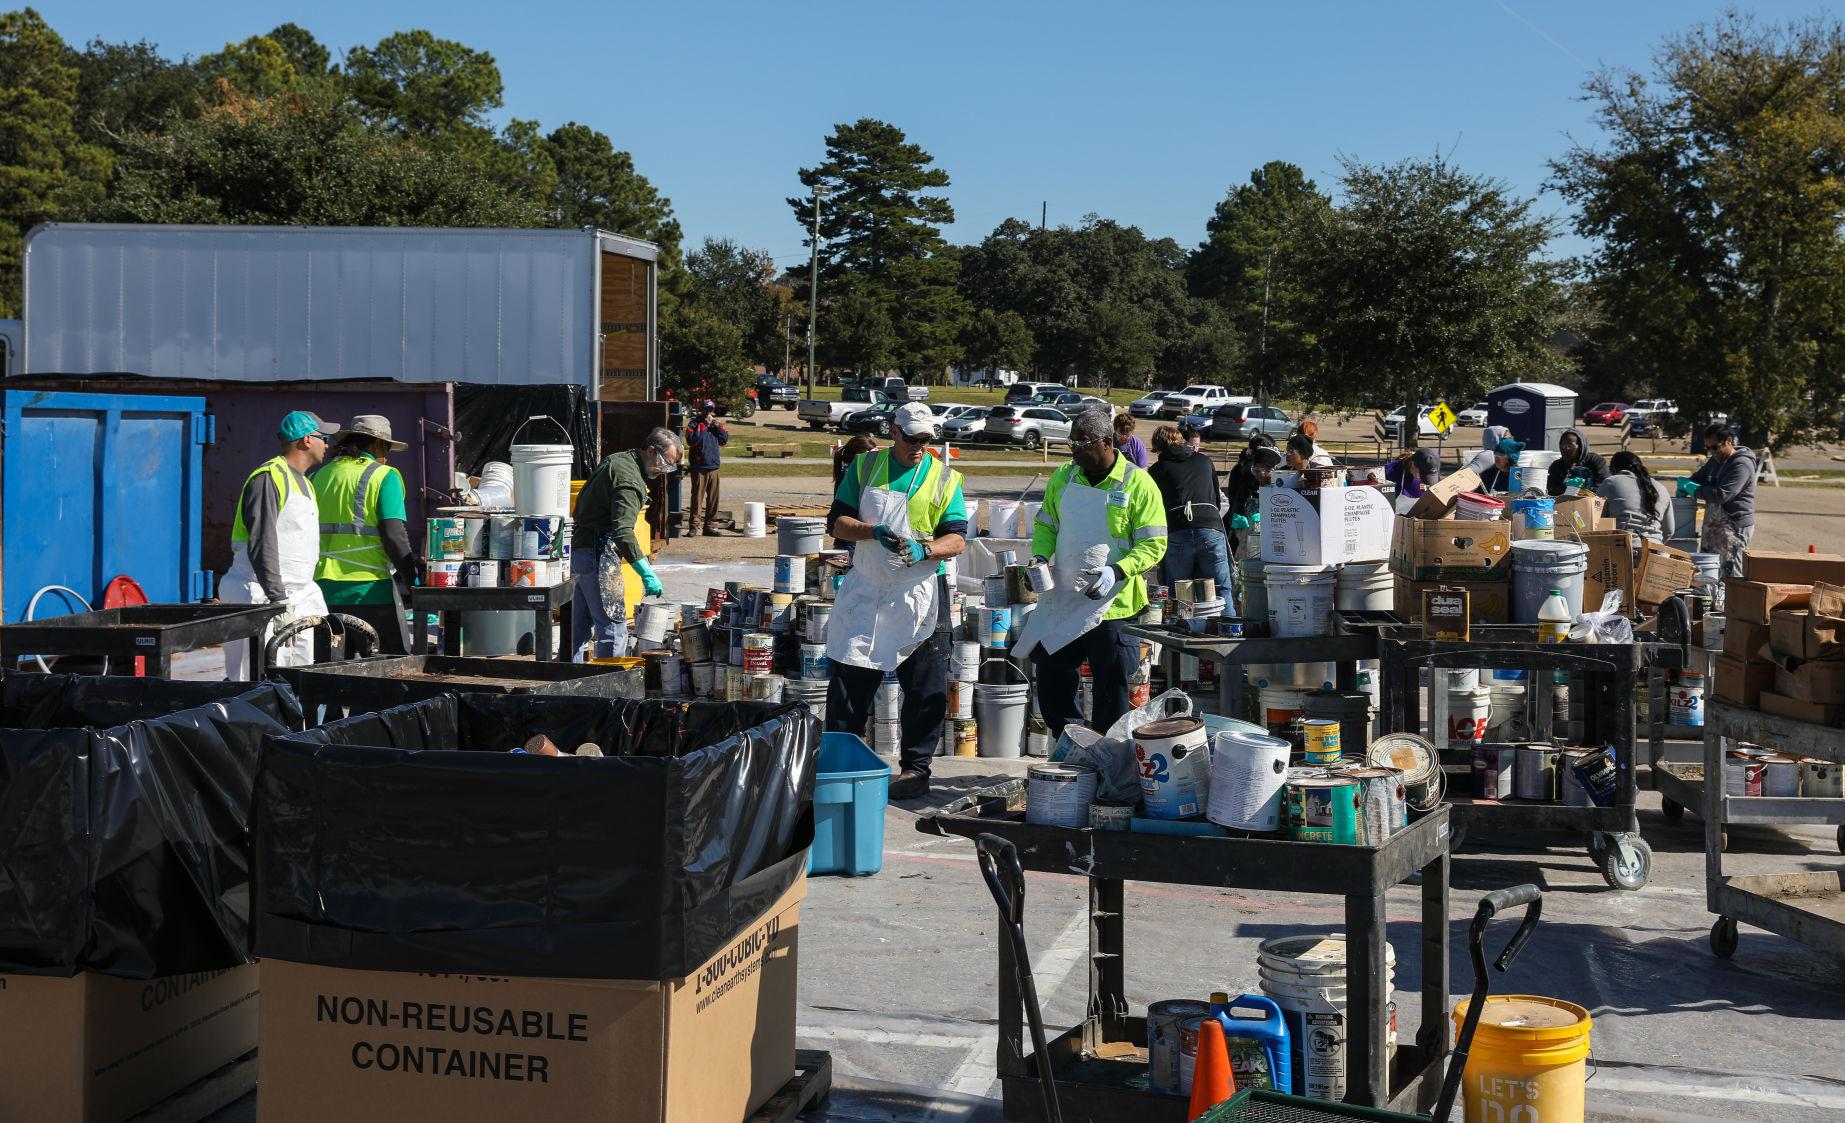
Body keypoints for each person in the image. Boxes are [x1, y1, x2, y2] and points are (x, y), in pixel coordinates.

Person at [825, 403, 968, 800]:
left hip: (920, 592)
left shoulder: (944, 477)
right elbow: (837, 522)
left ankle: (916, 770)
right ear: (894, 431)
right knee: (850, 683)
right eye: (912, 438)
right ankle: (840, 764)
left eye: (927, 439)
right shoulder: (866, 466)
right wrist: (873, 531)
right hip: (868, 589)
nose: (920, 446)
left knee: (926, 686)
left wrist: (927, 550)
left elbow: (957, 538)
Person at [1014, 410, 1168, 739]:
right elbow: (1047, 525)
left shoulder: (1138, 483)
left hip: (1115, 604)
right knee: (1051, 667)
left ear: (1107, 443)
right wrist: (1040, 557)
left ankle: (1108, 755)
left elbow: (1154, 544)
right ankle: (1071, 737)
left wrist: (1118, 570)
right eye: (1072, 444)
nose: (1075, 451)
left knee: (1110, 684)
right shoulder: (1065, 477)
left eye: (1083, 444)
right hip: (1068, 598)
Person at [221, 411, 337, 678]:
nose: (328, 444)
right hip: (260, 594)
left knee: (298, 679)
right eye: (324, 437)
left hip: (295, 595)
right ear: (307, 440)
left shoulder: (306, 484)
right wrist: (278, 600)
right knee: (252, 679)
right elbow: (263, 543)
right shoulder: (269, 478)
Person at [570, 427, 682, 658]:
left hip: (581, 550)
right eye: (664, 462)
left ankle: (567, 678)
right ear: (651, 450)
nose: (664, 470)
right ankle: (609, 686)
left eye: (670, 467)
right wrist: (645, 571)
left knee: (578, 628)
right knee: (613, 629)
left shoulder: (620, 460)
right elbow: (623, 530)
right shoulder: (628, 479)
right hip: (597, 554)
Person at [313, 415, 418, 655]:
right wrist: (412, 580)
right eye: (387, 449)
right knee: (390, 669)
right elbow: (394, 535)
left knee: (331, 673)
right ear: (377, 444)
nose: (387, 456)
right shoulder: (384, 475)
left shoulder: (319, 476)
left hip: (322, 592)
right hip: (371, 592)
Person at [1147, 424, 1231, 600]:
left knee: (1179, 592)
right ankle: (1229, 625)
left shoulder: (1157, 470)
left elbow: (1155, 509)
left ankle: (1182, 626)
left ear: (1158, 447)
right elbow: (1217, 499)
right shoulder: (1204, 461)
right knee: (1221, 589)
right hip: (1211, 528)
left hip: (1177, 529)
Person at [1688, 423, 1757, 576]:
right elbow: (1698, 478)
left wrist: (1695, 490)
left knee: (1731, 573)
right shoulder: (1714, 461)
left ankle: (1734, 600)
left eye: (1715, 447)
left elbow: (1722, 495)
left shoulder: (1741, 464)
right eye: (1708, 448)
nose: (1712, 452)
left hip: (1734, 527)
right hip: (1713, 528)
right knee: (1709, 572)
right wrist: (1687, 483)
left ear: (1729, 441)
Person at [1597, 451, 1675, 544]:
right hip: (1657, 551)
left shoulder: (1611, 482)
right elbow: (1669, 531)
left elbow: (1595, 519)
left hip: (1624, 548)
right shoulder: (1661, 488)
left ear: (1613, 469)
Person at [684, 400, 728, 536]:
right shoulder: (694, 424)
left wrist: (717, 426)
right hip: (699, 467)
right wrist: (704, 426)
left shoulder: (716, 425)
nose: (708, 412)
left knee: (713, 499)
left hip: (714, 466)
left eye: (710, 410)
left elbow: (724, 440)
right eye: (706, 410)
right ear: (701, 410)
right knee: (697, 498)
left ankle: (710, 526)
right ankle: (694, 526)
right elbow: (691, 440)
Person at [1545, 428, 1609, 496]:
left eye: (1569, 446)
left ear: (1580, 446)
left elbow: (1604, 485)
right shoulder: (1556, 466)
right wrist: (1565, 488)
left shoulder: (1595, 461)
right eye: (1562, 446)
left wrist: (1584, 490)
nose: (1565, 449)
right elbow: (1550, 491)